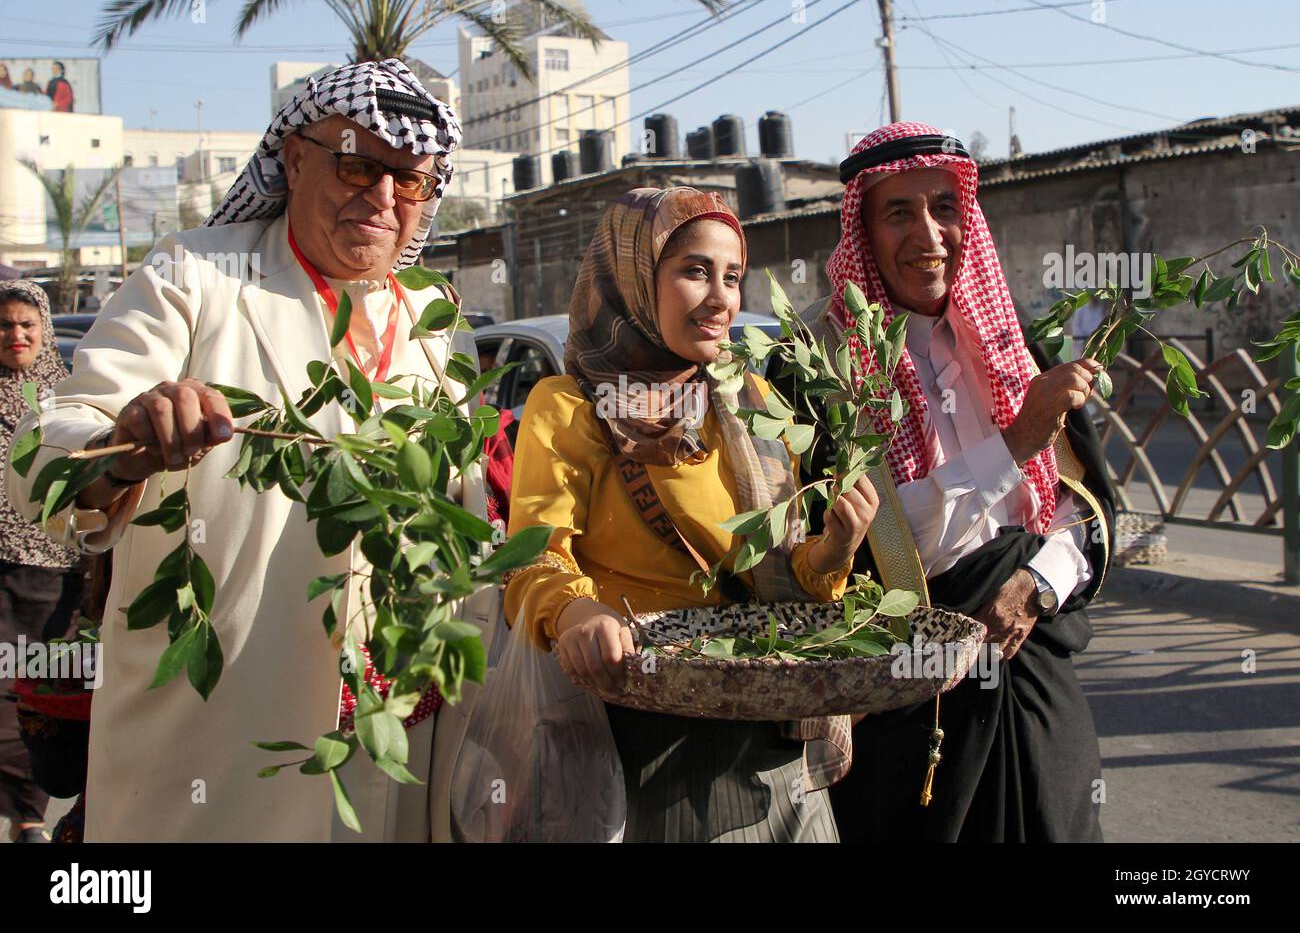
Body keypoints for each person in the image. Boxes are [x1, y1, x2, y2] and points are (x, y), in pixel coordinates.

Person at [6, 59, 493, 841]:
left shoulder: (434, 321)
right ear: (295, 158)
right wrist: (126, 443)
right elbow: (39, 457)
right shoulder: (194, 277)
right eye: (359, 164)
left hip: (390, 745)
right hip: (219, 747)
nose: (382, 199)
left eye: (410, 183)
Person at [503, 187, 879, 842]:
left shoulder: (747, 396)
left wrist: (831, 553)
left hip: (774, 739)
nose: (720, 299)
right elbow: (534, 558)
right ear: (632, 277)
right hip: (655, 736)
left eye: (731, 277)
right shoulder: (569, 406)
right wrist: (577, 613)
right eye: (694, 271)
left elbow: (779, 579)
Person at [800, 122, 1115, 842]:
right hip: (911, 715)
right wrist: (1012, 443)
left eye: (944, 207)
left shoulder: (1017, 348)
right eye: (899, 213)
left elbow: (1088, 511)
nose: (929, 234)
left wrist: (1036, 584)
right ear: (863, 229)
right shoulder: (825, 375)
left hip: (1038, 689)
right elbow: (874, 552)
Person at [0, 280, 85, 843]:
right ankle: (27, 814)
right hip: (4, 567)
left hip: (65, 567)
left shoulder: (70, 395)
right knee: (7, 688)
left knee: (54, 687)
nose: (17, 335)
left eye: (27, 325)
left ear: (45, 328)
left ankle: (53, 801)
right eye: (5, 326)